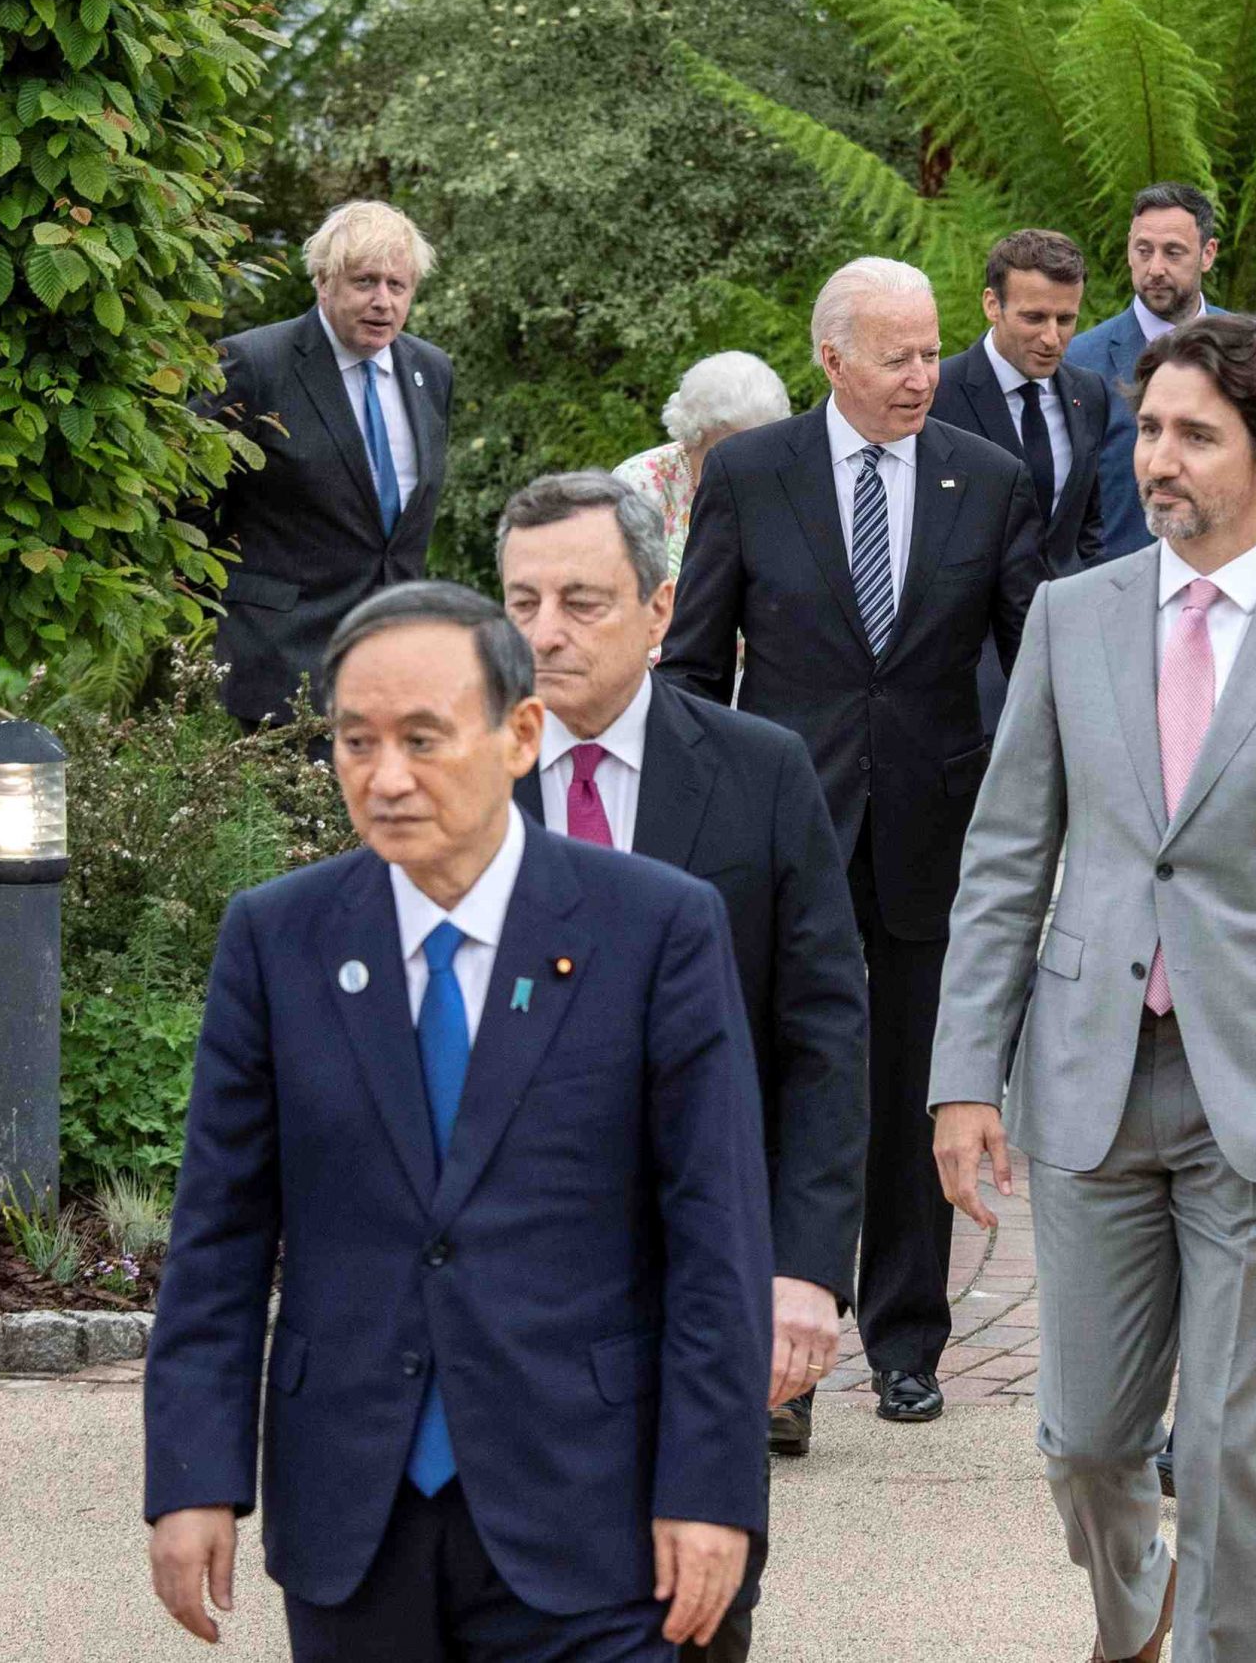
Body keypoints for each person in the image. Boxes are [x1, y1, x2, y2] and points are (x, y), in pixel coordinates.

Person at [927, 315, 1256, 1663]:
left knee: (1224, 1445)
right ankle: (1134, 1608)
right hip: (1088, 1076)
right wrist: (962, 1076)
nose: (1159, 457)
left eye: (1195, 435)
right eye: (1150, 429)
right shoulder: (1070, 617)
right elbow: (1005, 861)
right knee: (1086, 1441)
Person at [144, 582, 773, 1661]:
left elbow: (716, 1237)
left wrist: (710, 1490)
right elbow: (218, 1233)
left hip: (589, 1511)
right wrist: (193, 1477)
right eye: (356, 741)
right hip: (355, 1513)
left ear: (520, 735)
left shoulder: (654, 930)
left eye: (423, 739)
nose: (385, 777)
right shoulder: (278, 939)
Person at [661, 256, 1048, 1427]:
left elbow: (1037, 671)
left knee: (921, 1082)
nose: (924, 376)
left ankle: (907, 1341)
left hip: (933, 833)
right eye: (897, 357)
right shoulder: (750, 474)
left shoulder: (989, 480)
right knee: (783, 1082)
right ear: (830, 359)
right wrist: (691, 821)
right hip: (783, 833)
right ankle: (778, 1360)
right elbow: (691, 668)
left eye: (932, 352)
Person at [499, 470, 870, 1658]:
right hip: (499, 1288)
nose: (546, 632)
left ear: (660, 609)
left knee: (694, 1611)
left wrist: (805, 1267)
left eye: (581, 602)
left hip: (700, 1276)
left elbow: (823, 1033)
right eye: (521, 602)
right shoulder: (457, 779)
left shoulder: (761, 771)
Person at [202, 201, 455, 725]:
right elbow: (188, 499)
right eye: (364, 282)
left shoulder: (432, 371)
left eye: (397, 285)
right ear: (323, 281)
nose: (382, 301)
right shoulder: (253, 365)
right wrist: (233, 604)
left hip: (397, 663)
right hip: (281, 664)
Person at [929, 228, 1111, 733]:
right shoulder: (937, 396)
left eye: (1066, 319)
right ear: (993, 305)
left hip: (1071, 651)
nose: (1052, 338)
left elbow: (1086, 522)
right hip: (968, 669)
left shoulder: (1088, 393)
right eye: (1034, 318)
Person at [1065, 183, 1229, 563]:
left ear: (1207, 253)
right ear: (1129, 250)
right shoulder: (1078, 362)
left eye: (1173, 252)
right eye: (1144, 250)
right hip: (1116, 582)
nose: (1155, 268)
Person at [614, 353, 794, 578]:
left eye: (759, 449)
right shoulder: (638, 484)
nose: (746, 465)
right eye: (730, 451)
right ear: (692, 436)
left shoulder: (789, 483)